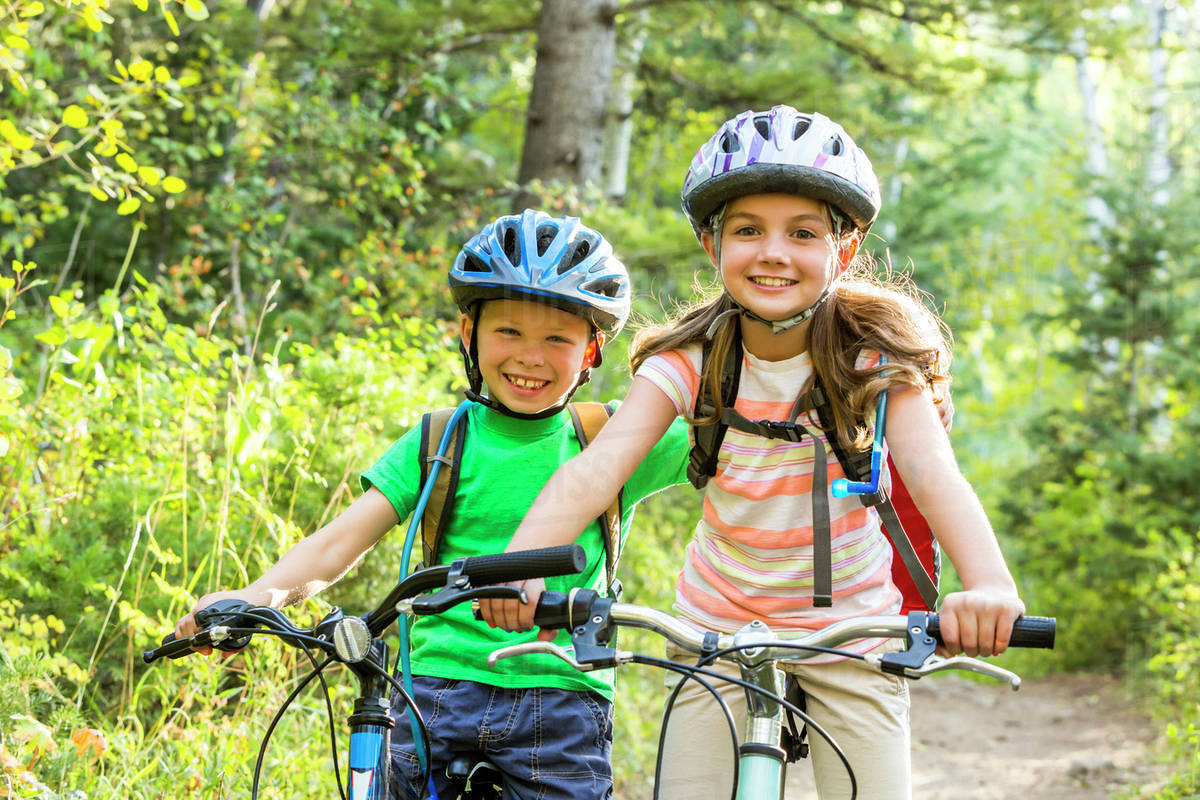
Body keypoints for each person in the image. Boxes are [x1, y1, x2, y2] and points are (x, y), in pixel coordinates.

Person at [479, 106, 1025, 799]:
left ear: (844, 251)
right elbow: (596, 471)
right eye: (747, 230)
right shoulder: (690, 359)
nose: (772, 252)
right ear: (712, 245)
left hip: (852, 631)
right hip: (715, 625)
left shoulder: (875, 358)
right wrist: (520, 564)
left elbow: (932, 474)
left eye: (803, 233)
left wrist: (990, 585)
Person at [174, 209, 690, 800]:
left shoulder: (615, 437)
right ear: (469, 333)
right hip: (436, 690)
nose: (531, 357)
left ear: (592, 350)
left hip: (562, 695)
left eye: (557, 339)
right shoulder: (438, 441)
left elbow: (735, 437)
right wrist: (253, 597)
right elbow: (337, 542)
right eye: (509, 332)